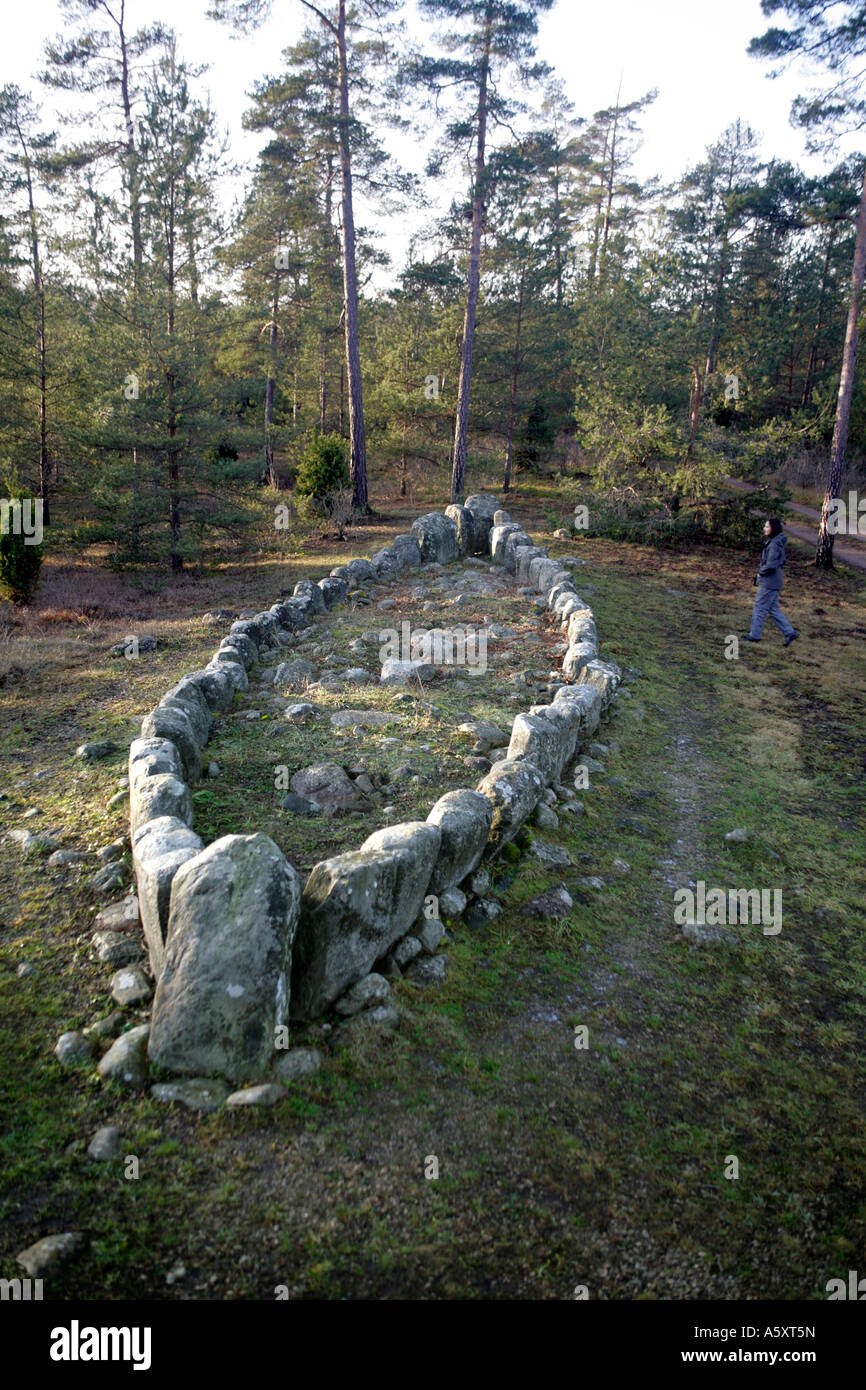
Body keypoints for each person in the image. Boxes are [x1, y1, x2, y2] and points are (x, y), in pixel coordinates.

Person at [742, 517, 799, 646]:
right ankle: (790, 633)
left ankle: (755, 635)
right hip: (774, 581)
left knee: (759, 607)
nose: (764, 529)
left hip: (769, 582)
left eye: (767, 527)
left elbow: (771, 564)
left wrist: (760, 572)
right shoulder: (777, 542)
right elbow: (781, 561)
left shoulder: (774, 544)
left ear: (773, 529)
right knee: (773, 609)